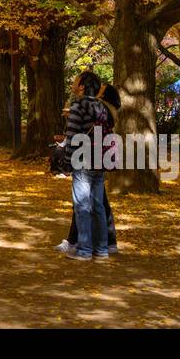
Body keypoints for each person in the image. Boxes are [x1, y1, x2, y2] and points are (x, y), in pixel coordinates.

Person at [60, 83, 119, 255]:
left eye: (101, 89)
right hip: (100, 159)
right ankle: (102, 248)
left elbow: (76, 134)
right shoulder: (107, 110)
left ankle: (84, 248)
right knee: (98, 205)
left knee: (83, 205)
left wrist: (67, 160)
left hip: (86, 158)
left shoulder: (93, 107)